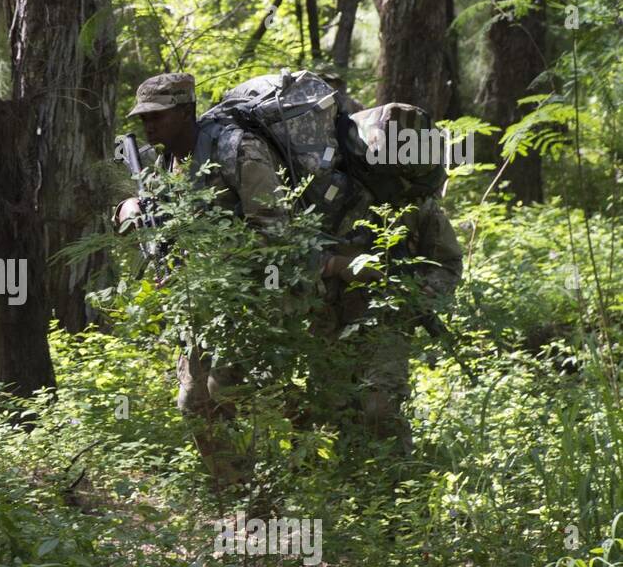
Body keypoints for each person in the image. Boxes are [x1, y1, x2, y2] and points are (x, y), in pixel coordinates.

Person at [114, 72, 462, 494]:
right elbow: (167, 213)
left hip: (352, 301)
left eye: (159, 116)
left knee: (371, 407)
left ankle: (392, 509)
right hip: (259, 295)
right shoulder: (171, 160)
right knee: (206, 401)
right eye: (144, 119)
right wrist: (128, 211)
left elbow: (277, 239)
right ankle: (246, 499)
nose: (149, 127)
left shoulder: (410, 197)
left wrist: (417, 298)